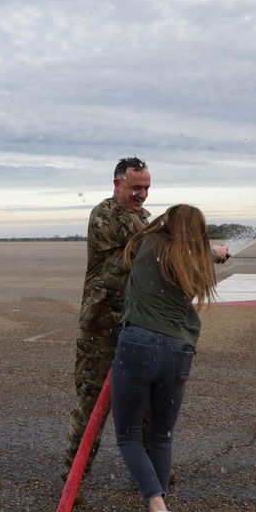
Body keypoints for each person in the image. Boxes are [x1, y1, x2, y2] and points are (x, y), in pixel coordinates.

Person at [110, 204, 230, 512]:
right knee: (161, 437)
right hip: (180, 349)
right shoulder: (196, 260)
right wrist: (217, 251)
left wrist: (168, 222)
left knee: (129, 436)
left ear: (168, 224)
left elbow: (149, 232)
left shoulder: (150, 244)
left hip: (139, 344)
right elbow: (203, 251)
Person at [62, 157, 152, 490]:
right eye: (136, 187)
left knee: (146, 405)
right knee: (91, 407)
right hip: (100, 329)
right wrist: (205, 252)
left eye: (146, 187)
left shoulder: (142, 218)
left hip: (134, 325)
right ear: (117, 184)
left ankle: (151, 471)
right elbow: (153, 246)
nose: (142, 194)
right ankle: (73, 479)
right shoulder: (107, 214)